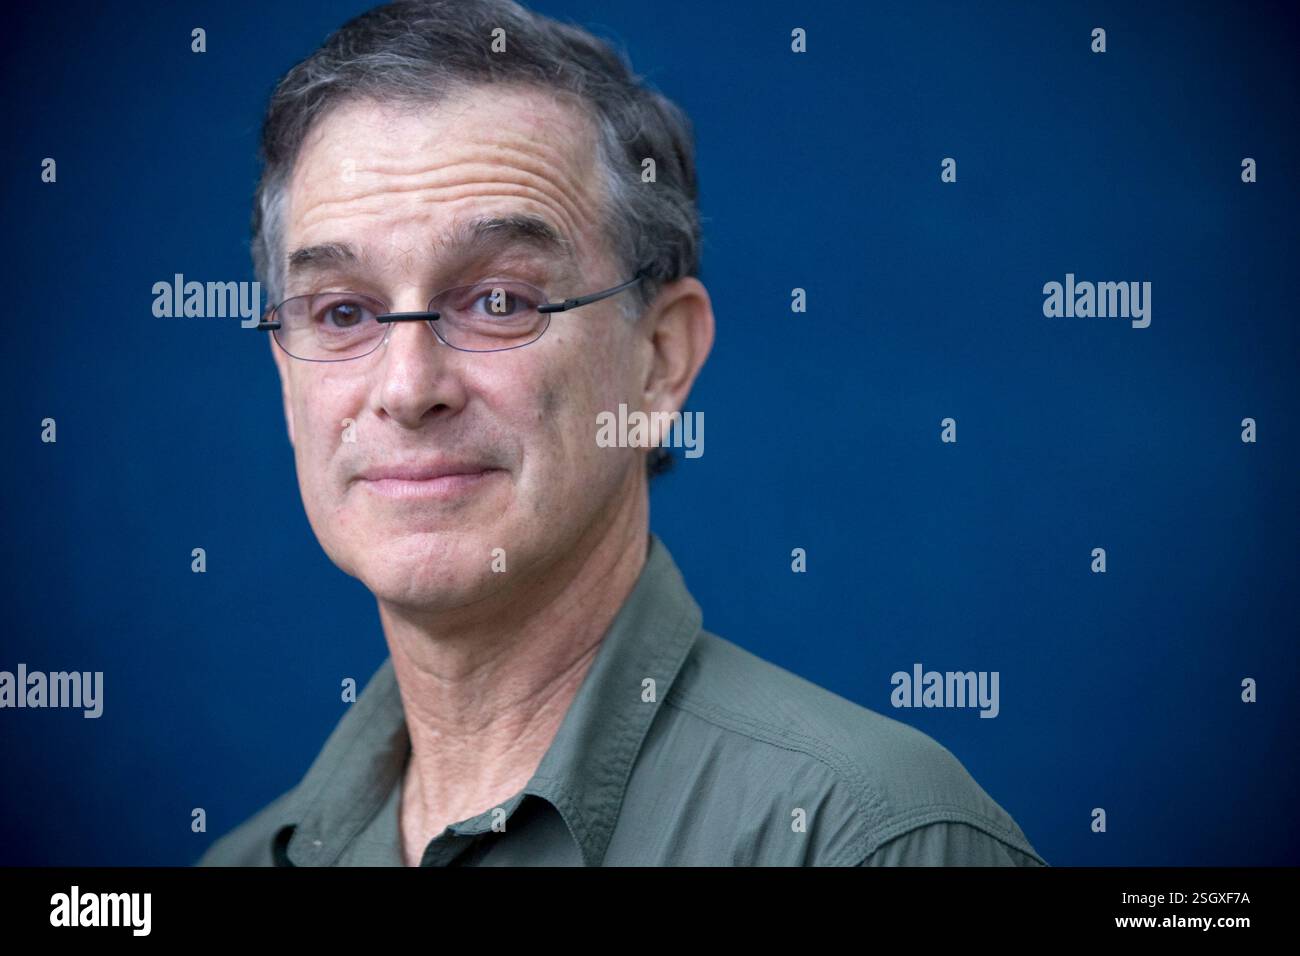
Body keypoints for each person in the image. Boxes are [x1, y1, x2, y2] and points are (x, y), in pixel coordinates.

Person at [198, 0, 1045, 867]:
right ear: (287, 377)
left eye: (500, 301)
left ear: (660, 361)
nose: (408, 389)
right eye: (342, 312)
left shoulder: (872, 842)